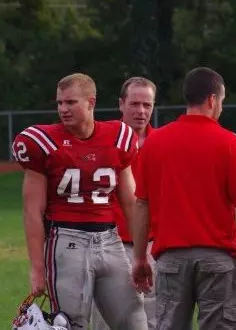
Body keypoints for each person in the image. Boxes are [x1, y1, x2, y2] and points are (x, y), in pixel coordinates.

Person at [11, 73, 147, 330]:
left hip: (110, 240)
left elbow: (131, 202)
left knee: (134, 321)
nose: (63, 109)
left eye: (71, 102)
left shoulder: (119, 136)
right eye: (60, 103)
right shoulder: (42, 141)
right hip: (65, 240)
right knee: (70, 324)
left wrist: (140, 256)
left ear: (90, 103)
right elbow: (32, 210)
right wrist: (37, 269)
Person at [132, 67, 236, 330]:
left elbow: (142, 205)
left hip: (170, 259)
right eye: (222, 102)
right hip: (217, 258)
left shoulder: (156, 144)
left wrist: (139, 258)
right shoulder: (228, 142)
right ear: (213, 99)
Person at [91, 77, 157, 330]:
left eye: (147, 105)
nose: (141, 111)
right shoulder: (101, 138)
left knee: (153, 320)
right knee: (107, 322)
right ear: (121, 104)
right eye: (135, 104)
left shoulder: (161, 142)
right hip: (111, 244)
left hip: (152, 245)